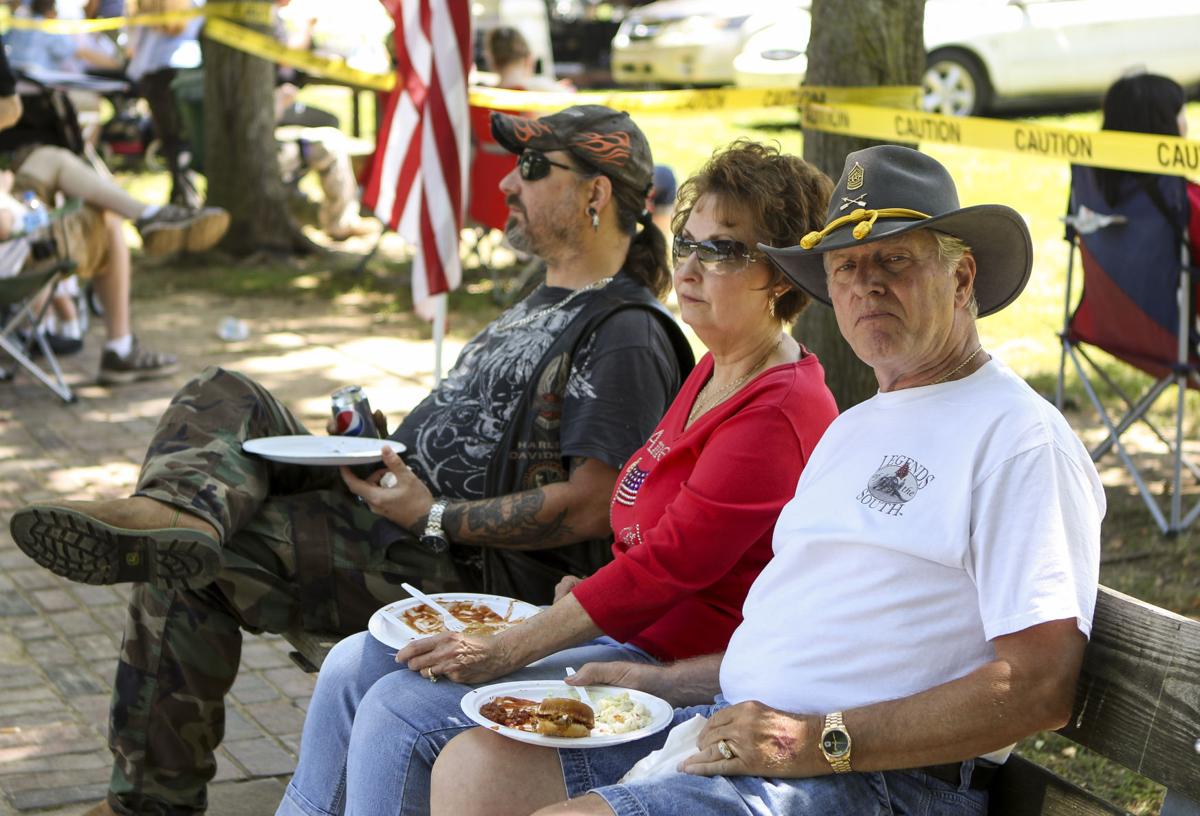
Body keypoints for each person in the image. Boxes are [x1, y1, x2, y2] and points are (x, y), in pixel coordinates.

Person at [9, 103, 693, 816]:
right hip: (399, 511)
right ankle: (179, 510)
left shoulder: (626, 332)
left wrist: (435, 515)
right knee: (225, 393)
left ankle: (146, 800)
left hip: (459, 571)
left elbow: (591, 502)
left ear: (596, 194)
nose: (506, 186)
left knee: (200, 564)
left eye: (531, 168)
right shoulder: (541, 301)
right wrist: (375, 448)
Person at [430, 144, 1106, 816]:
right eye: (845, 267)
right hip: (748, 732)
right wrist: (664, 681)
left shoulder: (1020, 441)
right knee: (480, 767)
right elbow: (799, 640)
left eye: (895, 260)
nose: (865, 284)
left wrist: (815, 741)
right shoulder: (858, 428)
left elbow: (1038, 686)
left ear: (962, 280)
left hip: (877, 777)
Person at [275, 139, 839, 816]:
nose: (688, 268)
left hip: (678, 679)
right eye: (684, 243)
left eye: (720, 250)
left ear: (781, 275)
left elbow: (665, 569)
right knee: (356, 665)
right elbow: (645, 539)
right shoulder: (718, 364)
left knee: (400, 707)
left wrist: (508, 647)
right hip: (627, 639)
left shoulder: (776, 408)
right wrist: (585, 593)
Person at [1089, 72, 1198, 255]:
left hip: (1112, 283)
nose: (1185, 125)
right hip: (1171, 283)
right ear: (1165, 126)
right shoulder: (1184, 199)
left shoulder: (1093, 189)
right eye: (1180, 115)